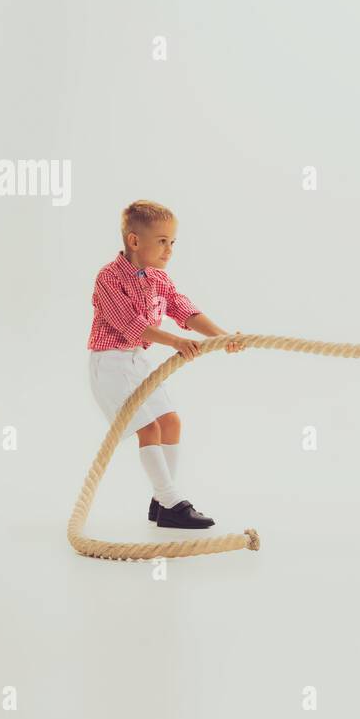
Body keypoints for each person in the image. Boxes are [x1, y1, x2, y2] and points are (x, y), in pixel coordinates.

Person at [86, 200, 244, 529]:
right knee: (149, 428)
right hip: (110, 364)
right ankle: (172, 500)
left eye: (172, 242)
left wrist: (222, 335)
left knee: (170, 422)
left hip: (136, 360)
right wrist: (175, 342)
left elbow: (181, 308)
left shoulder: (159, 278)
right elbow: (131, 325)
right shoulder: (109, 278)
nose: (169, 250)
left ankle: (162, 501)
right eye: (162, 241)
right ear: (134, 241)